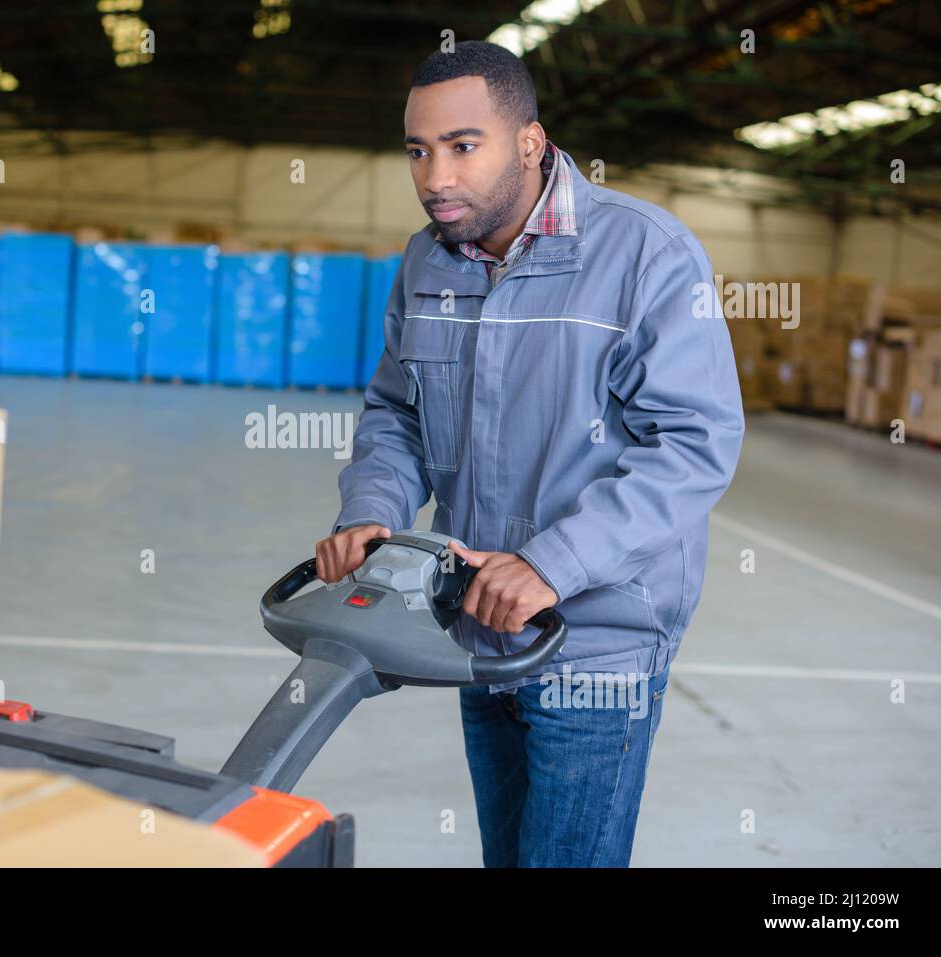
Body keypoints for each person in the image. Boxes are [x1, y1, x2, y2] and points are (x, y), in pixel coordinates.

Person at [314, 41, 744, 867]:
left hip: (598, 642)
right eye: (417, 150)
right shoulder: (427, 263)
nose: (435, 176)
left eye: (462, 145)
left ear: (529, 143)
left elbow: (693, 444)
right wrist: (372, 511)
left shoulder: (648, 255)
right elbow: (397, 413)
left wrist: (551, 563)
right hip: (478, 625)